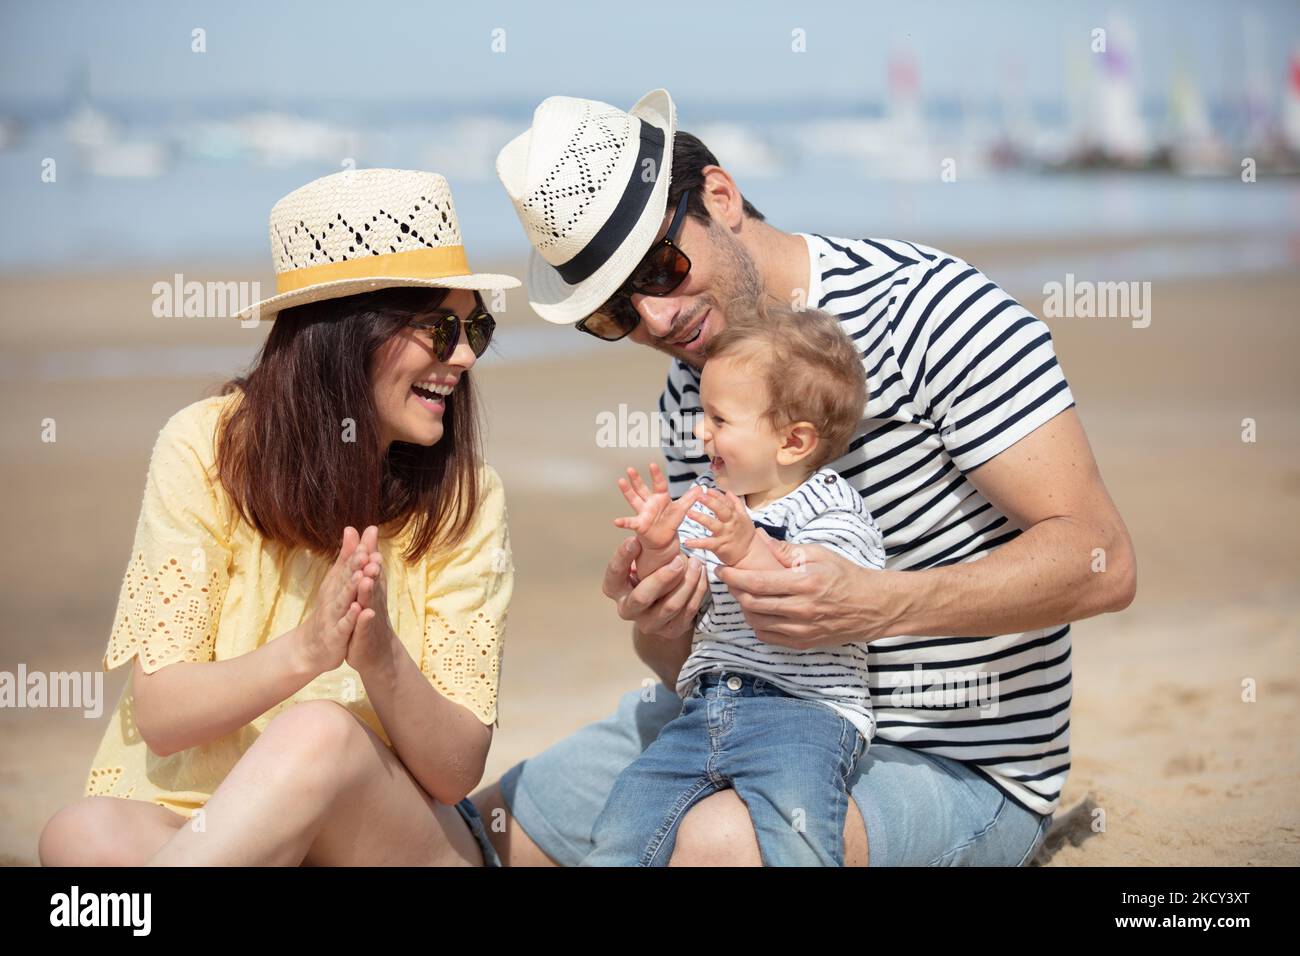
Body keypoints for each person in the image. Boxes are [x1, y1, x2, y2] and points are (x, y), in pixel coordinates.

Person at [479, 88, 1136, 866]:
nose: (654, 320)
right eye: (614, 313)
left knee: (718, 842)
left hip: (956, 762)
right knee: (481, 829)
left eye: (660, 266)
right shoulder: (696, 385)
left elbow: (1102, 560)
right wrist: (662, 620)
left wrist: (875, 605)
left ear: (721, 197)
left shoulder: (929, 312)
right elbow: (702, 653)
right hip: (732, 717)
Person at [38, 169, 519, 866]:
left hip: (394, 844)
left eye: (476, 325)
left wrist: (379, 654)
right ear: (347, 332)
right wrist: (305, 653)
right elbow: (164, 715)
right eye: (441, 328)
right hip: (218, 834)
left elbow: (454, 769)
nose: (467, 355)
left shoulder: (467, 498)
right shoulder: (205, 449)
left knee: (316, 734)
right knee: (79, 836)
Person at [583, 302, 883, 865]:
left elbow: (820, 599)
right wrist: (657, 548)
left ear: (792, 442)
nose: (701, 432)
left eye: (719, 420)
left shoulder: (833, 509)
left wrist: (747, 548)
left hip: (804, 717)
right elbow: (678, 593)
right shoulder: (712, 501)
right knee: (627, 815)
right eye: (702, 413)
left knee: (799, 830)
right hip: (704, 710)